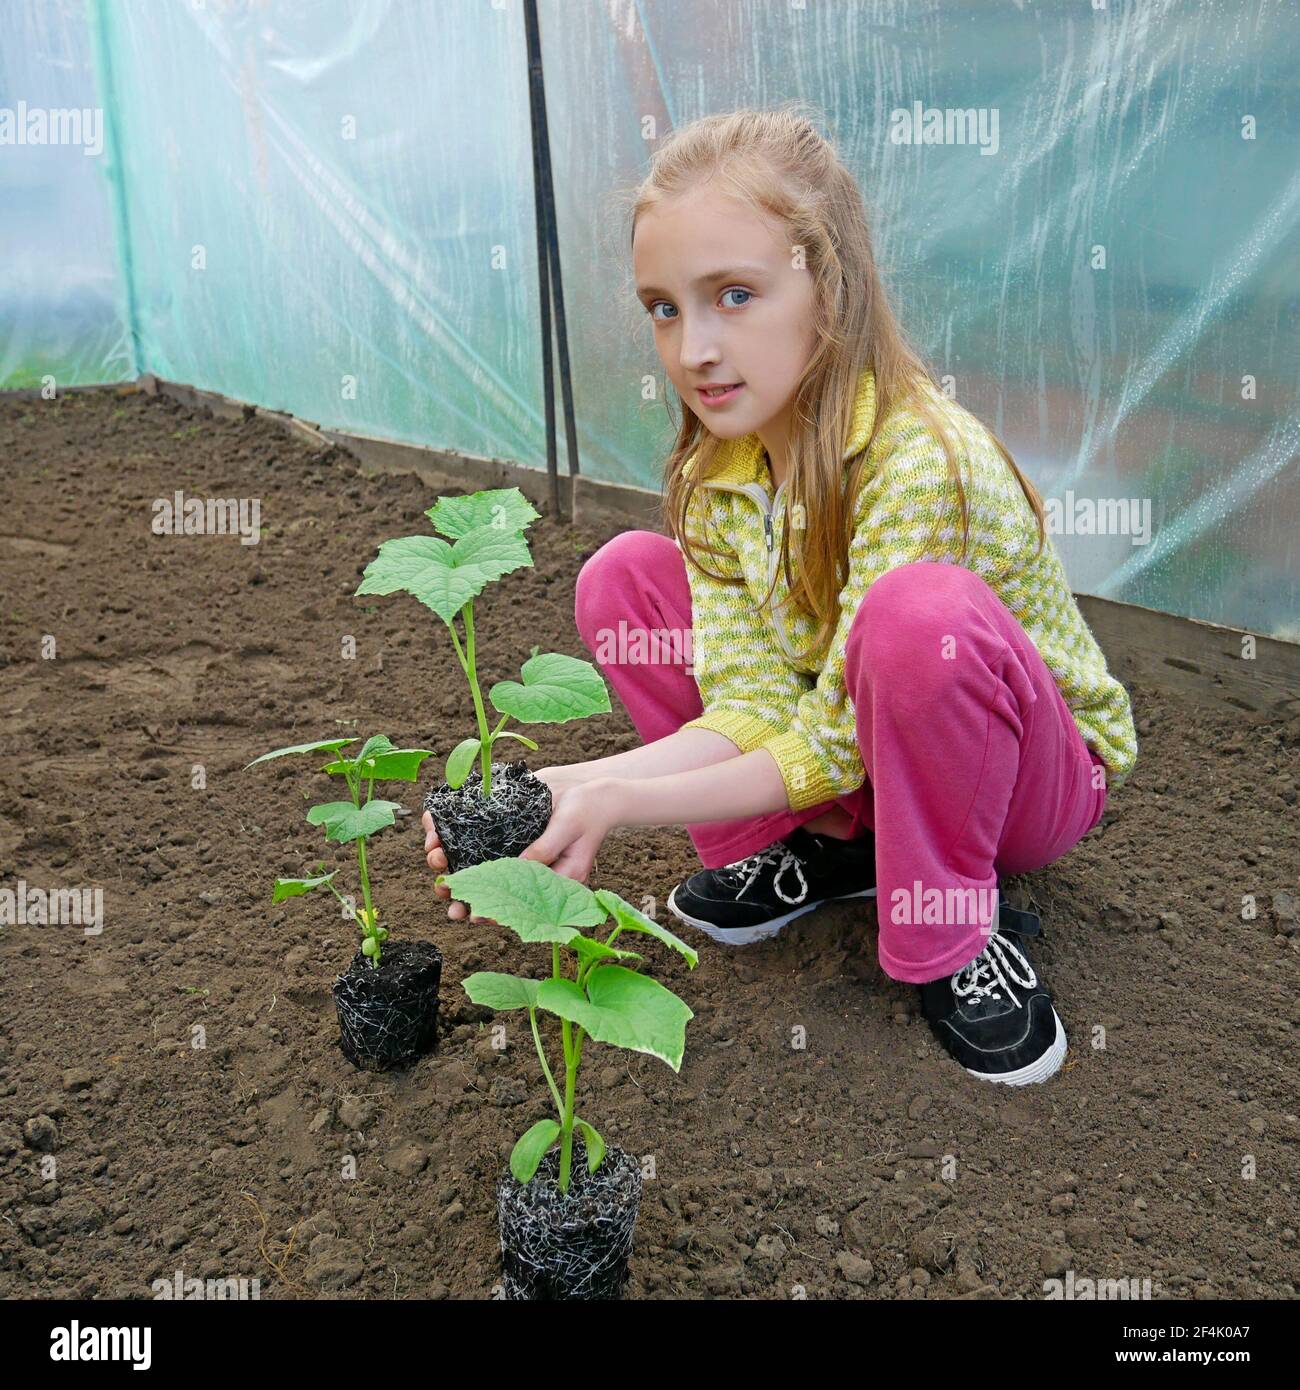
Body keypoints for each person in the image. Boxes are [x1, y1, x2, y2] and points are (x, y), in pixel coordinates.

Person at [424, 105, 1137, 1086]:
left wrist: (618, 800)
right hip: (861, 749)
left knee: (913, 623)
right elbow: (751, 707)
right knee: (624, 580)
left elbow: (838, 733)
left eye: (734, 295)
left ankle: (951, 927)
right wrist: (560, 790)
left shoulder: (919, 461)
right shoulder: (721, 467)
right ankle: (803, 855)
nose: (694, 350)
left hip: (1025, 783)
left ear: (827, 288)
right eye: (665, 308)